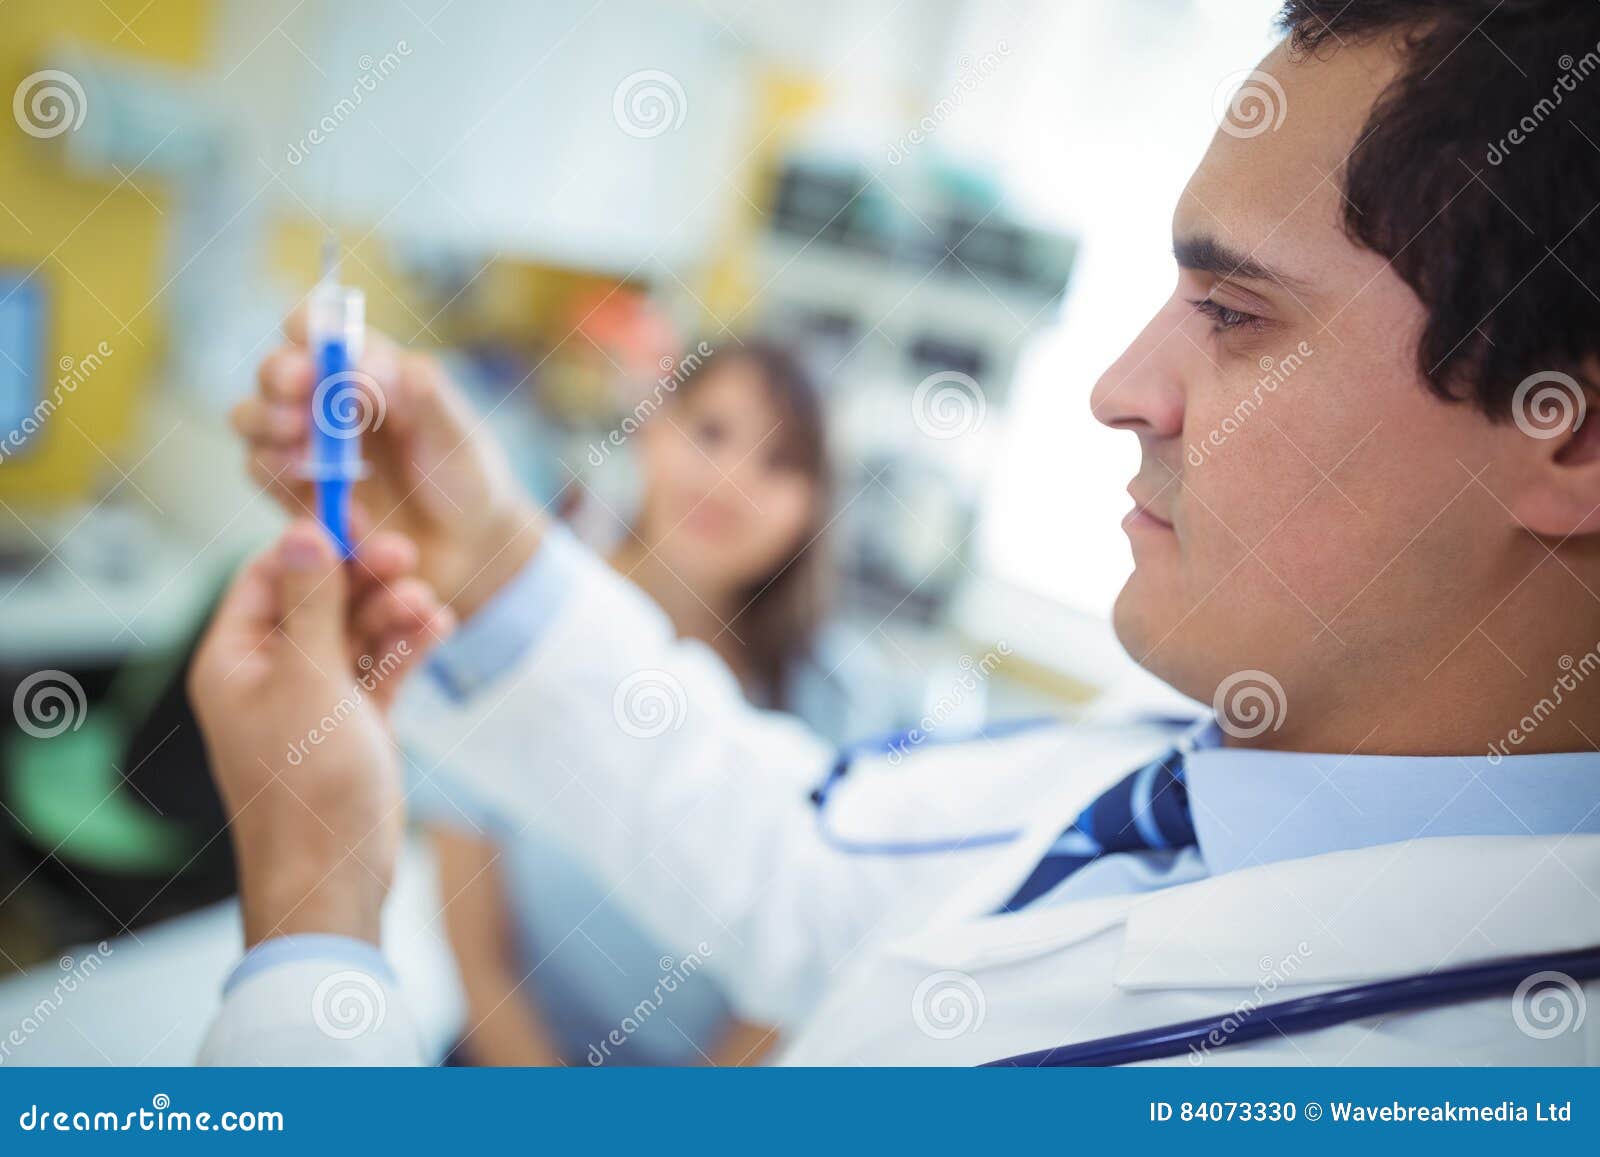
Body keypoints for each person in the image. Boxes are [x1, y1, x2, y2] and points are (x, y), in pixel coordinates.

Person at [199, 0, 1600, 1066]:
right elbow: (804, 876)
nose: (1120, 391)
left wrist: (314, 919)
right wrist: (490, 552)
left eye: (1236, 318)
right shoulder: (1184, 777)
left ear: (1572, 433)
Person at [418, 341, 885, 1066]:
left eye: (780, 463)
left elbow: (808, 963)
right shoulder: (521, 623)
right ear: (652, 425)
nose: (730, 481)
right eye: (710, 433)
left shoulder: (837, 700)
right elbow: (473, 940)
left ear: (814, 505)